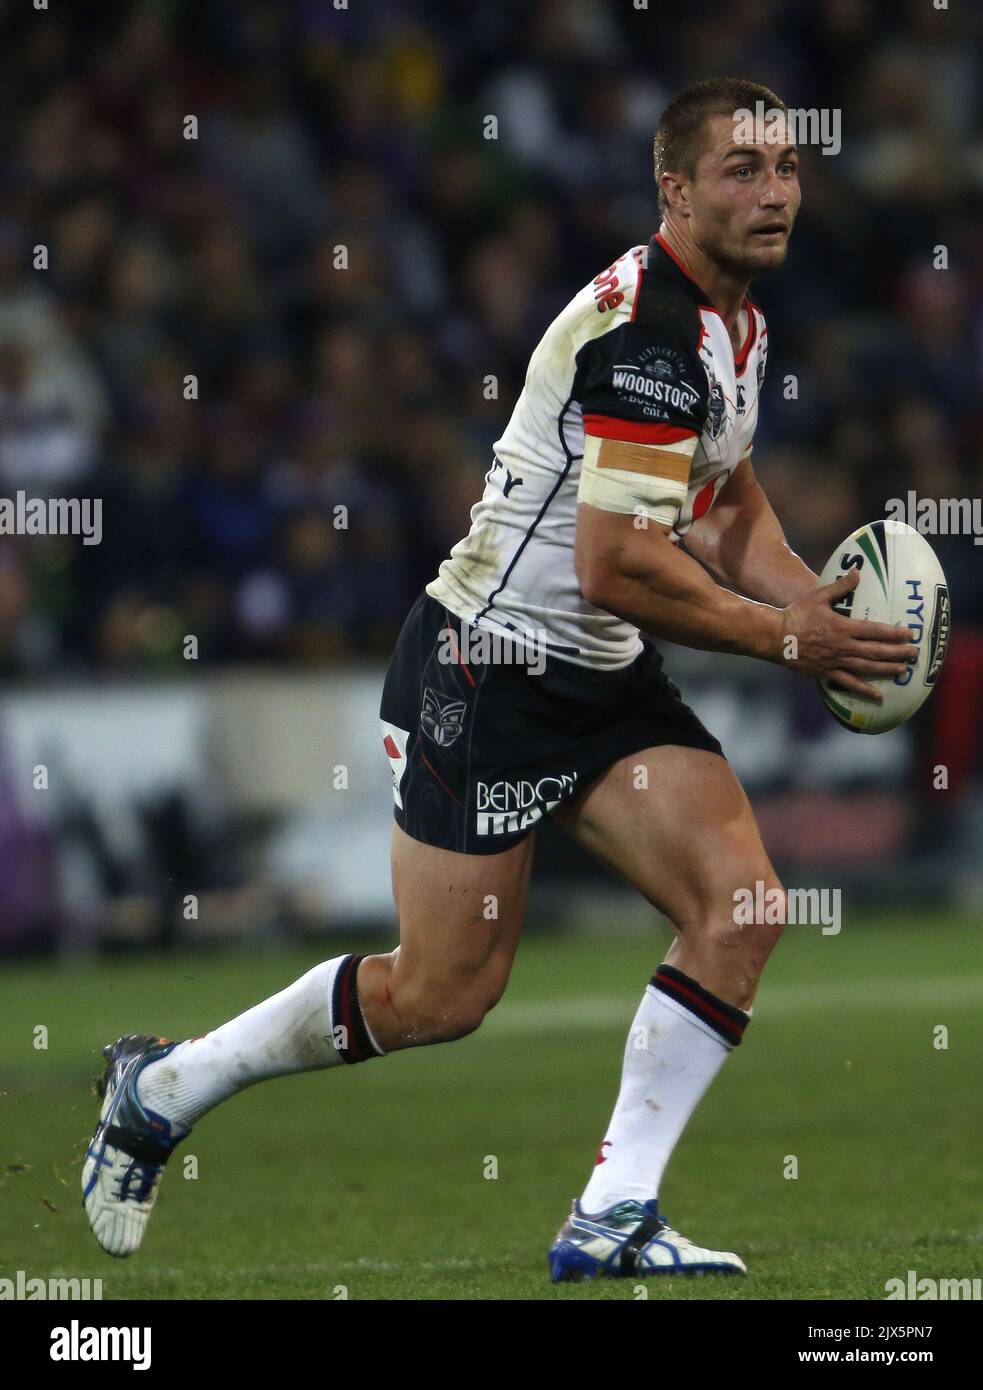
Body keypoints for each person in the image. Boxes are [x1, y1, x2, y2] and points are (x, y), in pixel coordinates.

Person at [83, 78, 916, 1281]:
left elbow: (720, 493)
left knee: (738, 909)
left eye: (784, 168)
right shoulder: (647, 337)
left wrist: (799, 595)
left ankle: (612, 1215)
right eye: (741, 170)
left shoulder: (731, 321)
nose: (774, 191)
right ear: (673, 192)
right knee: (440, 994)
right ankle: (164, 1086)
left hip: (597, 672)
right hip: (485, 669)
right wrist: (791, 646)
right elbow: (621, 562)